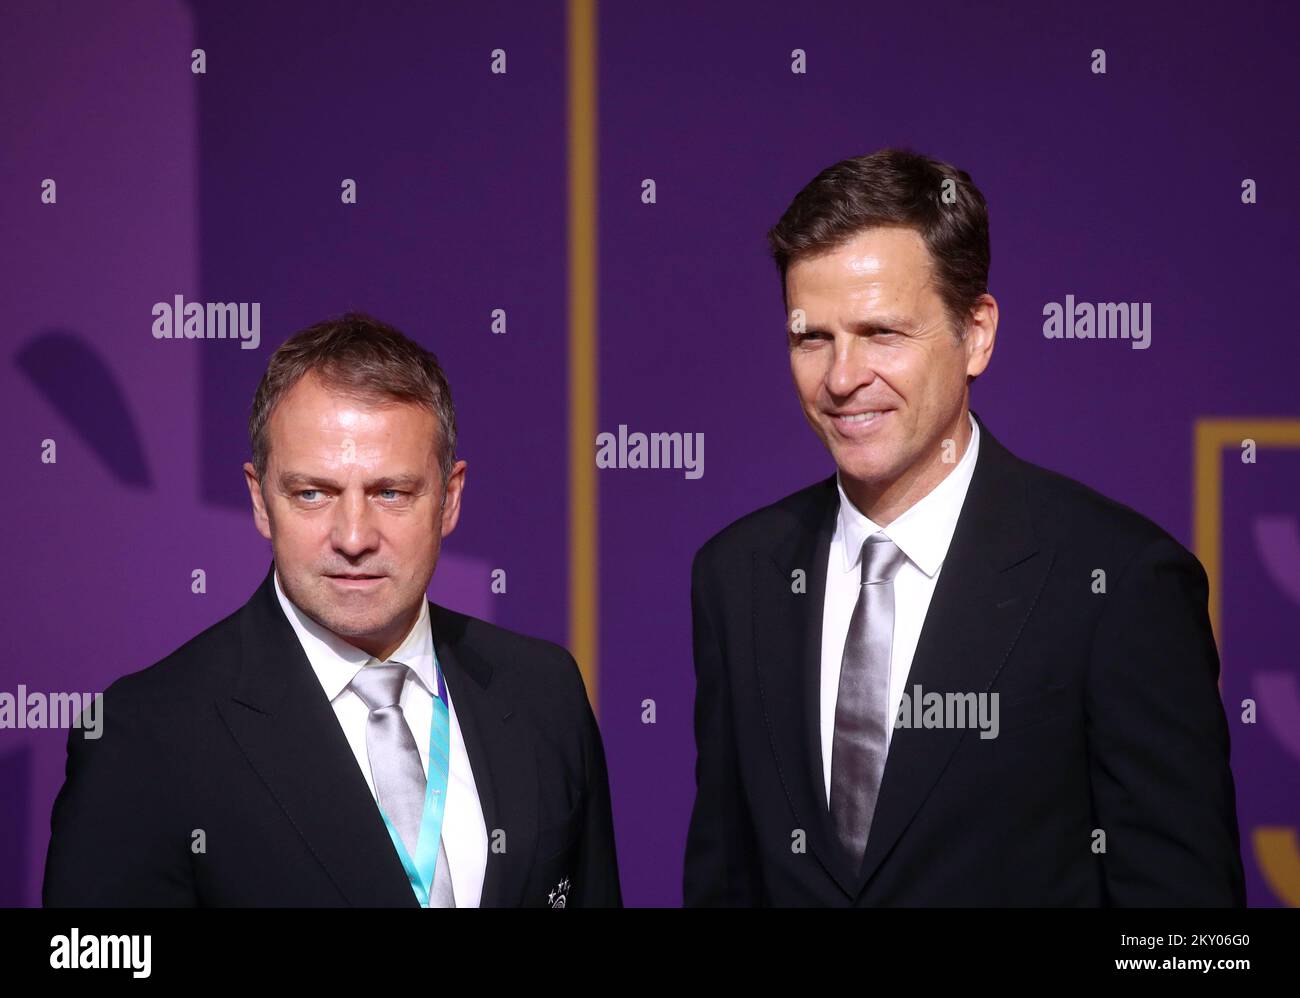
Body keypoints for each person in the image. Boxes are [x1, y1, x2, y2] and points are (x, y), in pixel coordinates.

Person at [683, 149, 1246, 906]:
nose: (842, 377)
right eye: (812, 337)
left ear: (976, 333)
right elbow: (725, 885)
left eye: (882, 333)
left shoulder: (1116, 583)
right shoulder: (738, 576)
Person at [44, 312, 621, 907]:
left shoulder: (543, 690)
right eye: (313, 493)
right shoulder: (143, 736)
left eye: (390, 492)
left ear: (449, 499)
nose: (353, 537)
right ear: (260, 500)